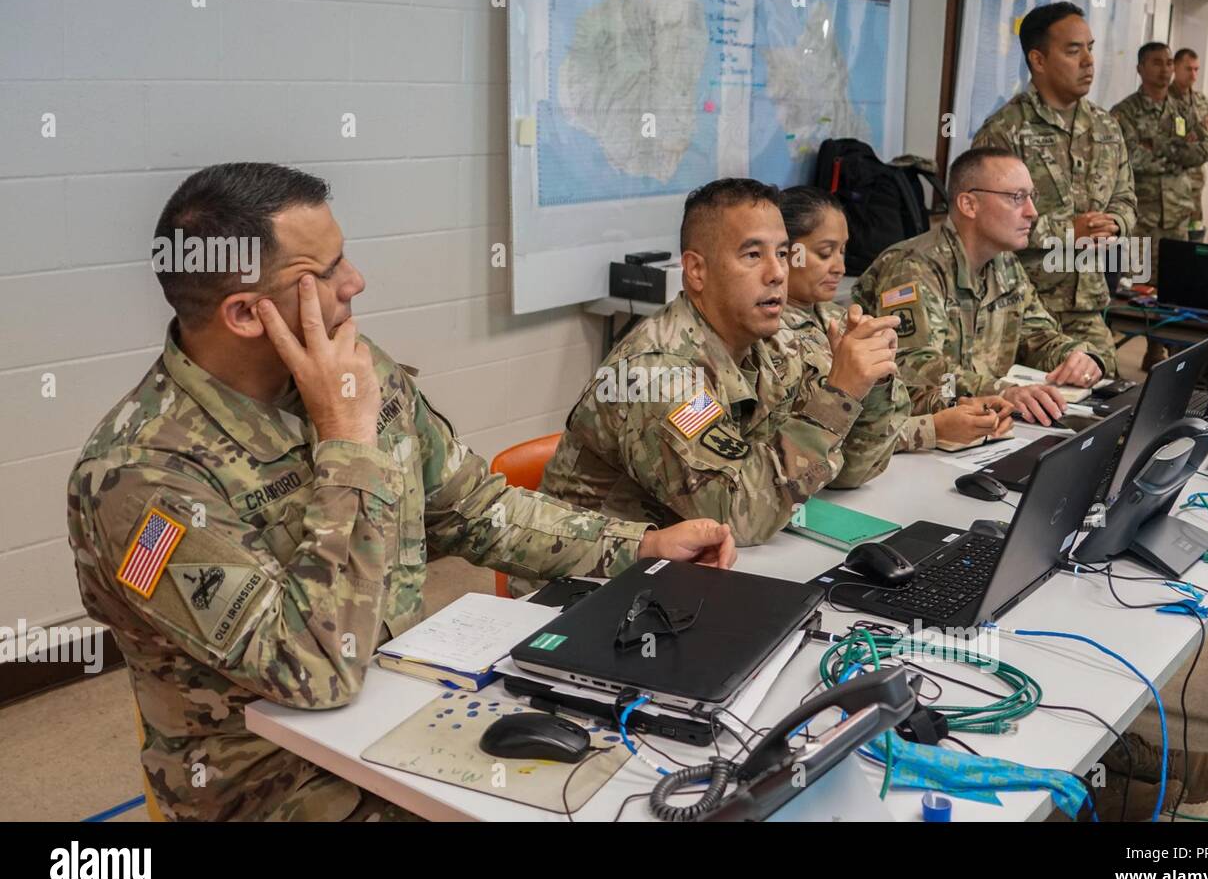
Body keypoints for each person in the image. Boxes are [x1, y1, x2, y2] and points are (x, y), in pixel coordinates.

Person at [66, 162, 736, 821]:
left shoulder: (352, 366)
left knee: (657, 758)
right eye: (323, 274)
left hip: (410, 696)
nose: (354, 282)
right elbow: (316, 672)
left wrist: (638, 545)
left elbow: (477, 510)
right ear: (246, 313)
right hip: (270, 776)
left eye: (343, 258)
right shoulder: (138, 481)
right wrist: (346, 443)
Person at [539, 178, 911, 545]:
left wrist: (869, 382)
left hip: (699, 567)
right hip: (594, 587)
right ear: (697, 270)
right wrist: (838, 394)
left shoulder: (779, 339)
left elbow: (850, 469)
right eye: (753, 255)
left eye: (782, 253)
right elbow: (735, 516)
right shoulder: (657, 372)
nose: (777, 273)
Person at [853, 148, 1106, 427]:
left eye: (1030, 197)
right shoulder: (913, 268)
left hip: (986, 423)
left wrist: (1078, 357)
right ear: (969, 204)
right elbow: (914, 368)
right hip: (914, 432)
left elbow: (1038, 334)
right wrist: (999, 391)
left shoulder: (1004, 262)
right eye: (1017, 197)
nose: (1032, 212)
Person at [779, 185, 1014, 451]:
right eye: (824, 253)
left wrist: (953, 404)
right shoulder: (767, 333)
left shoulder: (837, 317)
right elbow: (816, 437)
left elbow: (896, 395)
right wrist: (933, 429)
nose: (840, 268)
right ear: (783, 252)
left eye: (843, 251)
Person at [973, 2, 1137, 377]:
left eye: (1090, 48)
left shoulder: (1106, 127)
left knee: (1103, 396)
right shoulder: (1004, 131)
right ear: (1039, 60)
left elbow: (1126, 198)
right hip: (1022, 310)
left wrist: (1114, 223)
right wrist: (1068, 232)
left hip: (1088, 303)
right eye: (1073, 50)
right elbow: (985, 223)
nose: (1088, 62)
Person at [1111, 42, 1208, 369]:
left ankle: (1159, 349)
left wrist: (1156, 148)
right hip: (1141, 213)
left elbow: (1202, 151)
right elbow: (1129, 157)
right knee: (1134, 284)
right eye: (1157, 63)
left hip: (1178, 214)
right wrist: (1174, 152)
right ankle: (1109, 348)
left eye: (1170, 63)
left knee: (1172, 286)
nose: (1165, 69)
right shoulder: (1123, 112)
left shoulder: (1185, 109)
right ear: (1141, 68)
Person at [1170, 48, 1208, 228]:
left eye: (1196, 69)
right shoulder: (1165, 100)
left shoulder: (1201, 101)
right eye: (1188, 69)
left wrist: (1204, 133)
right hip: (1172, 183)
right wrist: (1202, 130)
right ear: (1175, 67)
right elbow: (1174, 141)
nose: (1193, 75)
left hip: (1196, 182)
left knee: (1194, 236)